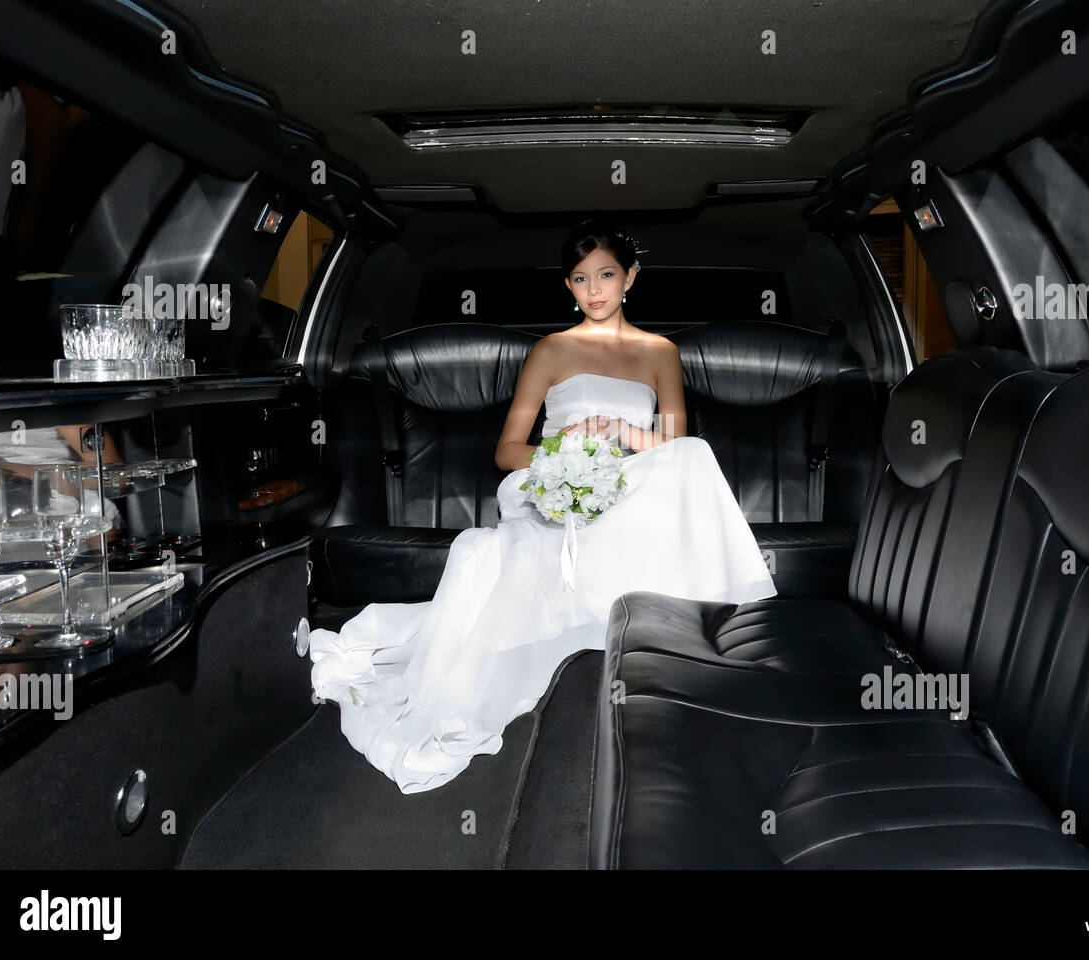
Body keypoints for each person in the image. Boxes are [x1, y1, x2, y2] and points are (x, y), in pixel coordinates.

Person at [304, 221, 776, 794]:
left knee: (692, 455)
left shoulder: (660, 353)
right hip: (550, 481)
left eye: (606, 275)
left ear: (631, 278)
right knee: (542, 522)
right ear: (569, 287)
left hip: (632, 477)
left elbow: (674, 444)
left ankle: (708, 639)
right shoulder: (550, 350)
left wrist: (623, 433)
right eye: (581, 279)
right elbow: (508, 451)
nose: (595, 290)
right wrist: (565, 453)